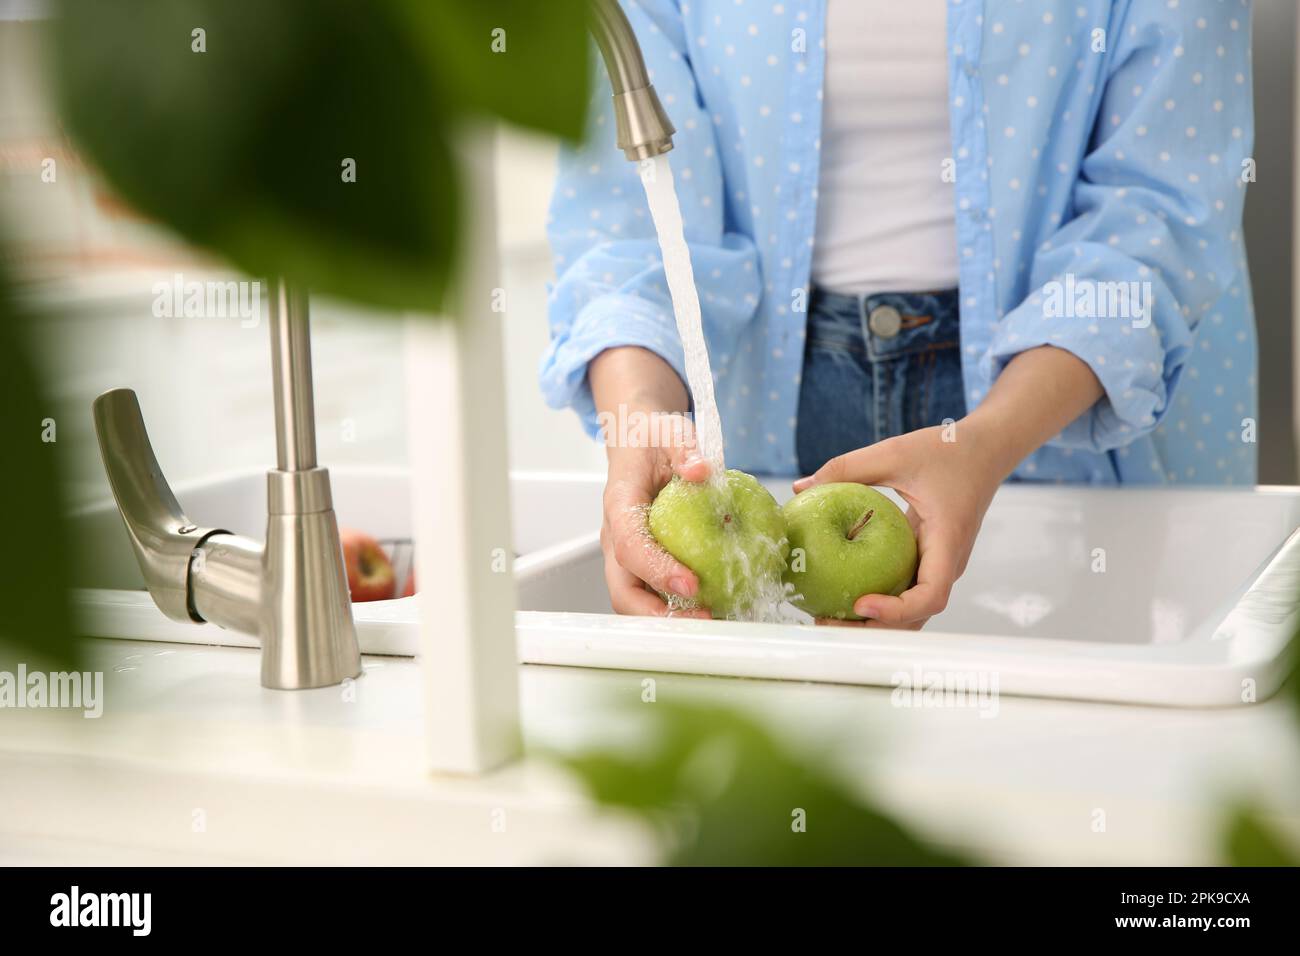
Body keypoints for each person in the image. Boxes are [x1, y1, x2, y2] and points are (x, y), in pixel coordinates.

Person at [541, 1, 1255, 628]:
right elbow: (628, 224)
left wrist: (990, 439)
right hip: (757, 425)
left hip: (1061, 413)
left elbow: (1158, 205)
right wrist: (639, 418)